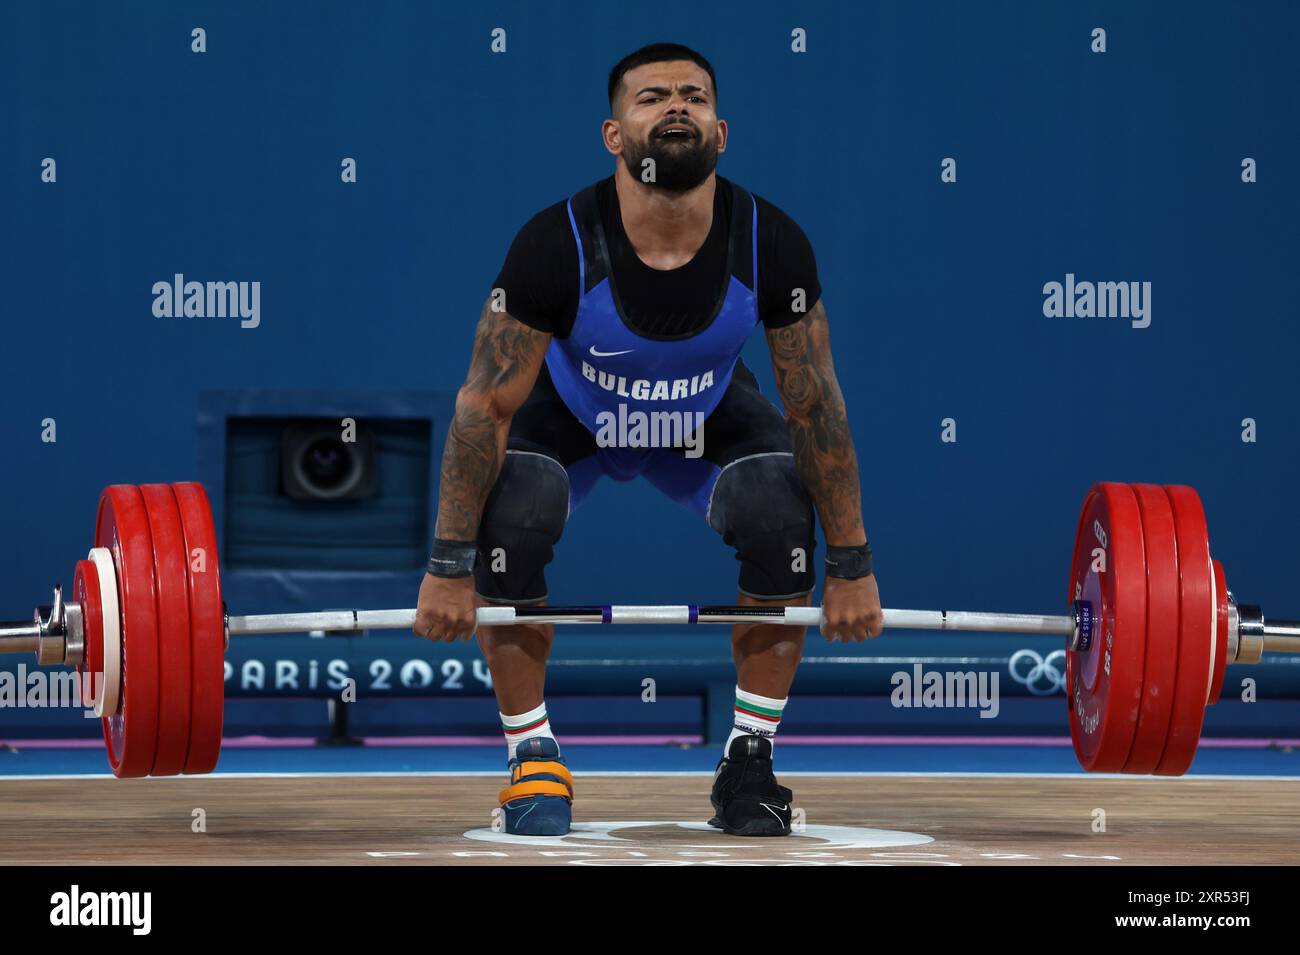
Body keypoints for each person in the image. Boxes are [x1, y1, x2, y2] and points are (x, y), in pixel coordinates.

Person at [414, 42, 884, 837]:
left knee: (777, 503)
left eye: (694, 97)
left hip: (701, 417)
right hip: (576, 417)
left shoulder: (773, 243)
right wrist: (448, 567)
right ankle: (533, 756)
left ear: (721, 130)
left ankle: (749, 758)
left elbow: (816, 410)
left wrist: (852, 565)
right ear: (613, 133)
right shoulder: (553, 243)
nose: (675, 107)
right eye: (652, 96)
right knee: (516, 505)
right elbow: (482, 410)